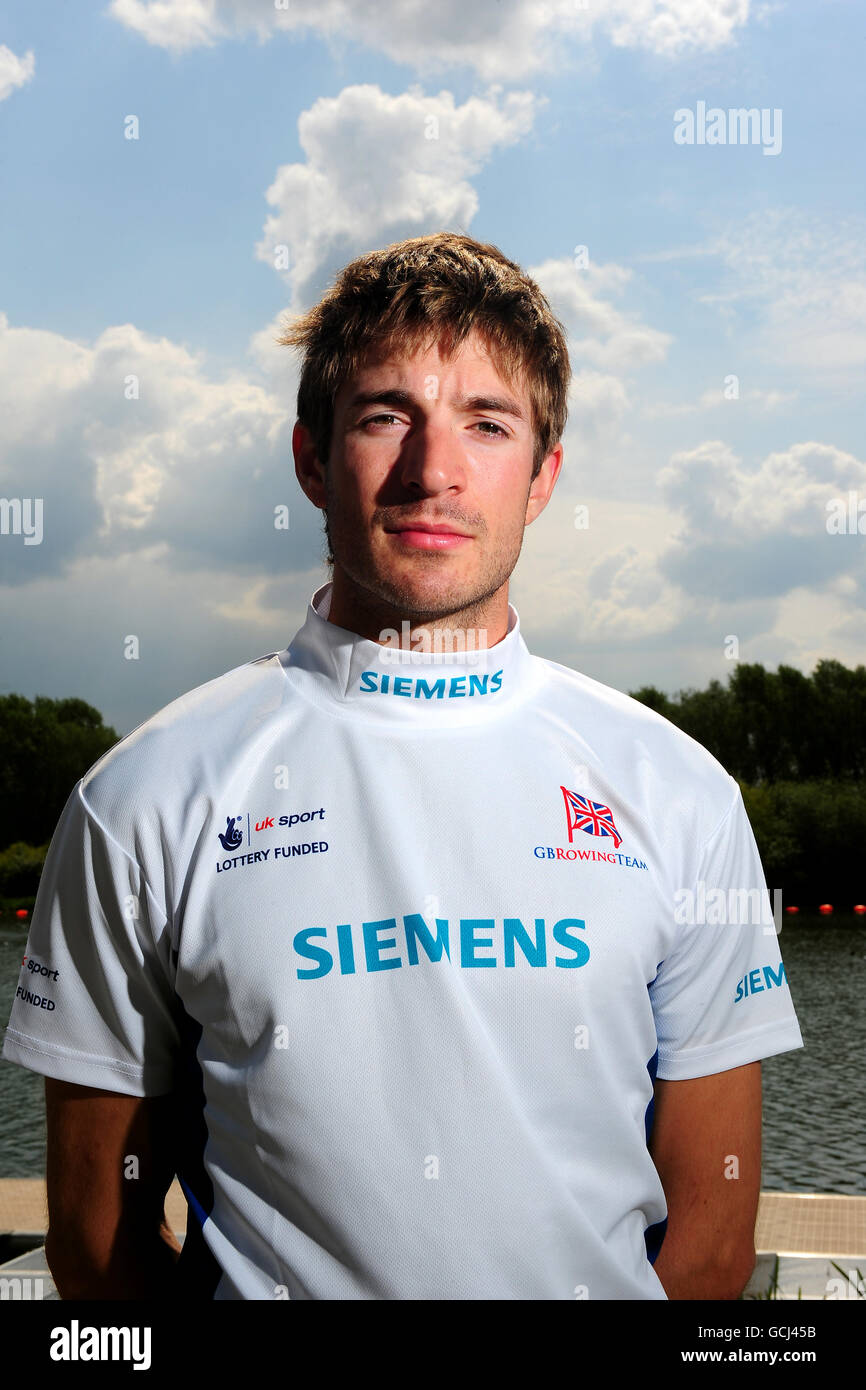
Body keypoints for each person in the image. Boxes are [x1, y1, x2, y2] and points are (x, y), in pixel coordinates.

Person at [2, 232, 803, 1301]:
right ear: (310, 460)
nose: (435, 472)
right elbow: (98, 1246)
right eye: (386, 417)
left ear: (542, 476)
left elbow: (708, 1245)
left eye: (486, 423)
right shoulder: (140, 800)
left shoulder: (676, 791)